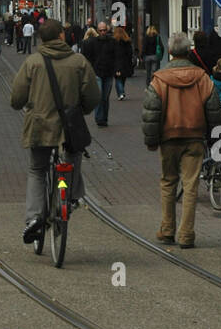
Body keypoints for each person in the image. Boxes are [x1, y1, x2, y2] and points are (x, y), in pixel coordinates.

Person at [10, 18, 100, 244]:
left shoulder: (33, 62)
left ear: (41, 38)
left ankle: (33, 218)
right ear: (62, 36)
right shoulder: (79, 62)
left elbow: (16, 98)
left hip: (40, 127)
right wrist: (83, 109)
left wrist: (26, 104)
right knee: (72, 161)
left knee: (38, 170)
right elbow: (92, 96)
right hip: (70, 128)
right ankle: (68, 199)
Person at [141, 31, 221, 249]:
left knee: (168, 181)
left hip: (168, 137)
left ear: (169, 52)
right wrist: (217, 137)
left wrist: (151, 140)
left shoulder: (159, 79)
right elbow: (214, 110)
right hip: (195, 137)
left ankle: (167, 229)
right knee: (191, 185)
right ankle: (187, 234)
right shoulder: (202, 77)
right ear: (188, 51)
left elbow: (152, 112)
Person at [83, 21, 117, 126]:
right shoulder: (92, 43)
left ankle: (104, 118)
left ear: (107, 30)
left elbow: (116, 56)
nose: (103, 32)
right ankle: (99, 119)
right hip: (97, 73)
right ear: (98, 31)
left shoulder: (112, 42)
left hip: (108, 73)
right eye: (101, 30)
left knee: (105, 97)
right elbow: (87, 57)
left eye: (104, 30)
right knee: (99, 96)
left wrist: (115, 69)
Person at [111, 26, 133, 101]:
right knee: (123, 78)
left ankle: (121, 93)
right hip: (125, 63)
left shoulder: (114, 42)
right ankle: (121, 91)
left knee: (118, 79)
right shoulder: (127, 41)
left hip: (116, 62)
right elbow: (130, 53)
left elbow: (112, 53)